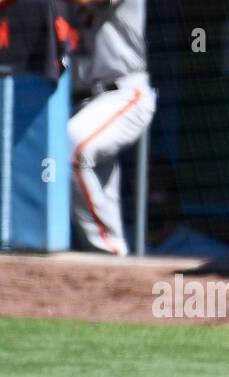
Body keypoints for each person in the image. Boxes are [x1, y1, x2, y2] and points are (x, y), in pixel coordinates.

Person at [66, 0, 155, 256]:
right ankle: (115, 267)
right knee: (100, 192)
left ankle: (107, 250)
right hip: (81, 101)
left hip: (124, 93)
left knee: (71, 145)